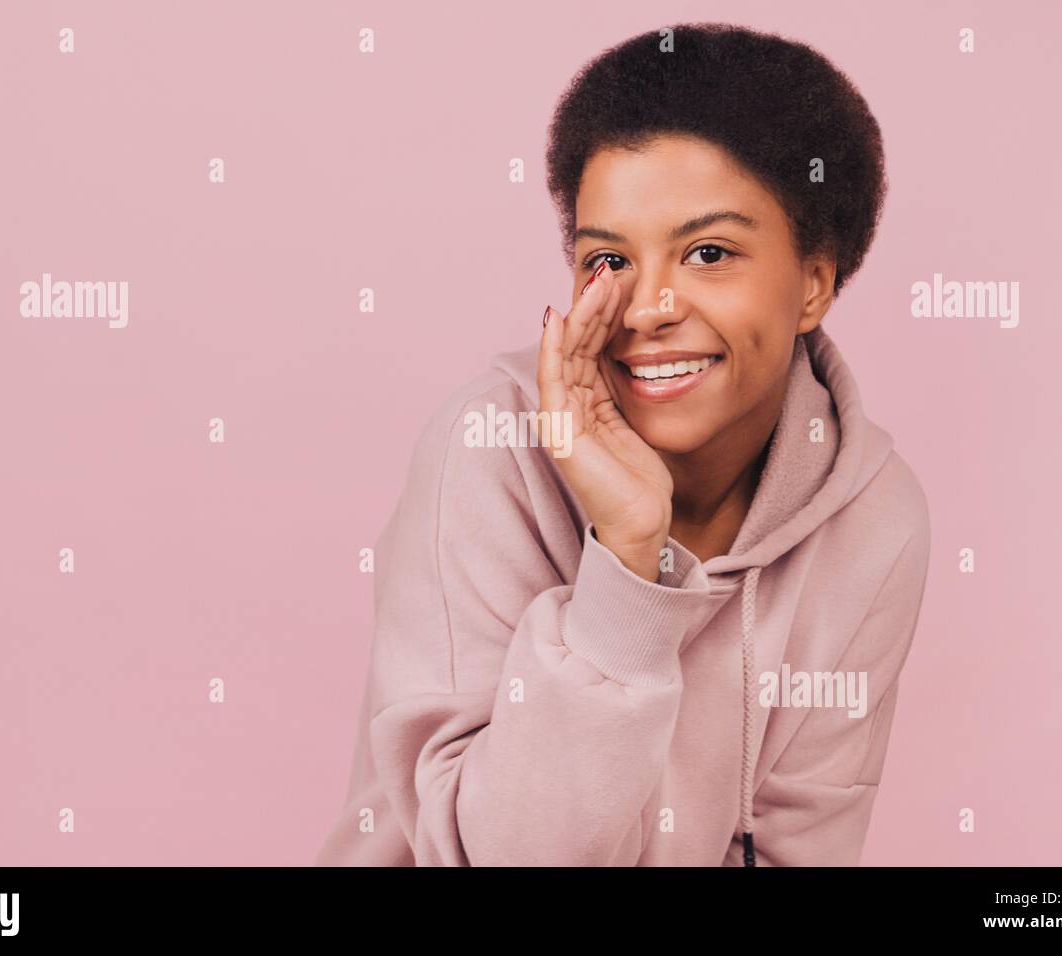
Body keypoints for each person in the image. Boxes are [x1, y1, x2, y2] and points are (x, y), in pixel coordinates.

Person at [317, 22, 931, 866]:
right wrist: (629, 564)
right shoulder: (490, 454)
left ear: (815, 281)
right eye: (607, 259)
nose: (646, 310)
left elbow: (798, 849)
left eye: (708, 252)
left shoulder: (875, 520)